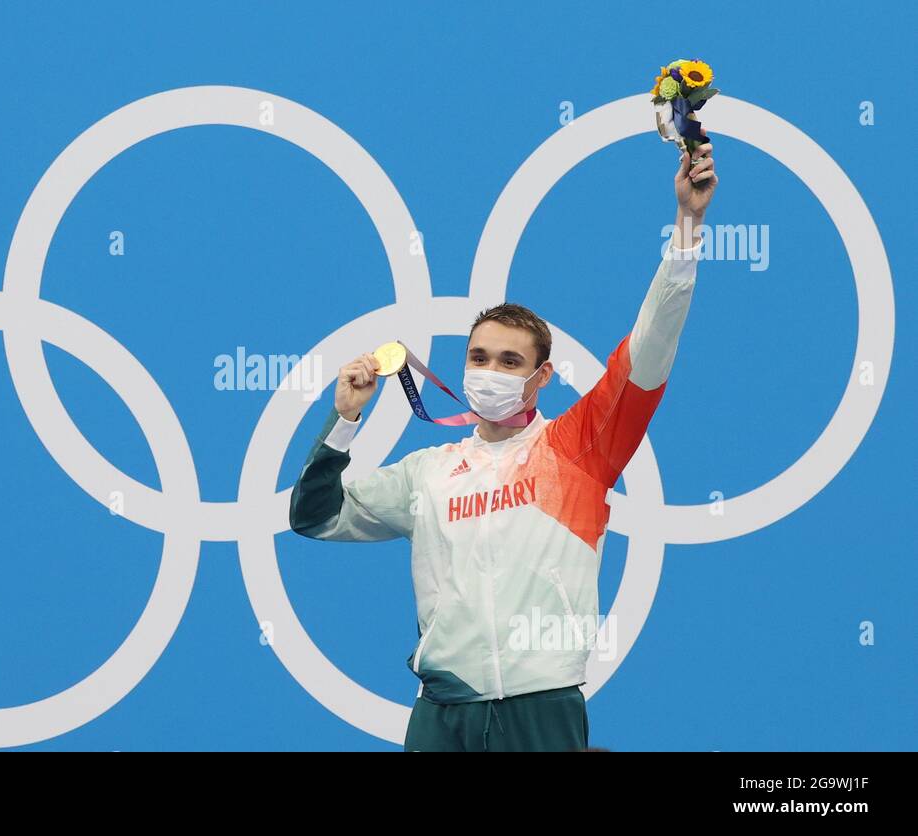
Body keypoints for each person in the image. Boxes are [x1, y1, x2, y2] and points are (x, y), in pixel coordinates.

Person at [289, 142, 718, 751]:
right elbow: (313, 516)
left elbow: (647, 352)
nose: (489, 370)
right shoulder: (426, 474)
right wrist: (345, 421)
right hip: (442, 712)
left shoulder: (577, 450)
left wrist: (688, 229)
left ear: (541, 378)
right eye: (478, 357)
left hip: (541, 710)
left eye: (510, 360)